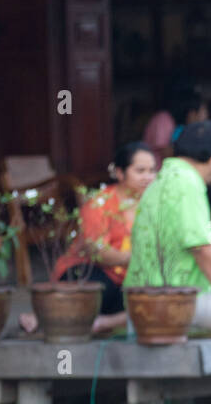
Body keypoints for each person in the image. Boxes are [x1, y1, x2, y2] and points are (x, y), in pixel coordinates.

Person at [126, 120, 211, 333]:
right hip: (171, 297)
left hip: (143, 292)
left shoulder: (161, 178)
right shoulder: (188, 182)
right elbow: (200, 247)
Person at [18, 142, 157, 336]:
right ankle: (48, 315)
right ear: (120, 173)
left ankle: (102, 322)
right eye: (140, 171)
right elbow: (99, 252)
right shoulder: (100, 203)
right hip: (91, 272)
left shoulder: (156, 205)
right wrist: (140, 258)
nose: (148, 177)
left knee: (153, 294)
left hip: (129, 280)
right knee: (99, 284)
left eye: (152, 170)